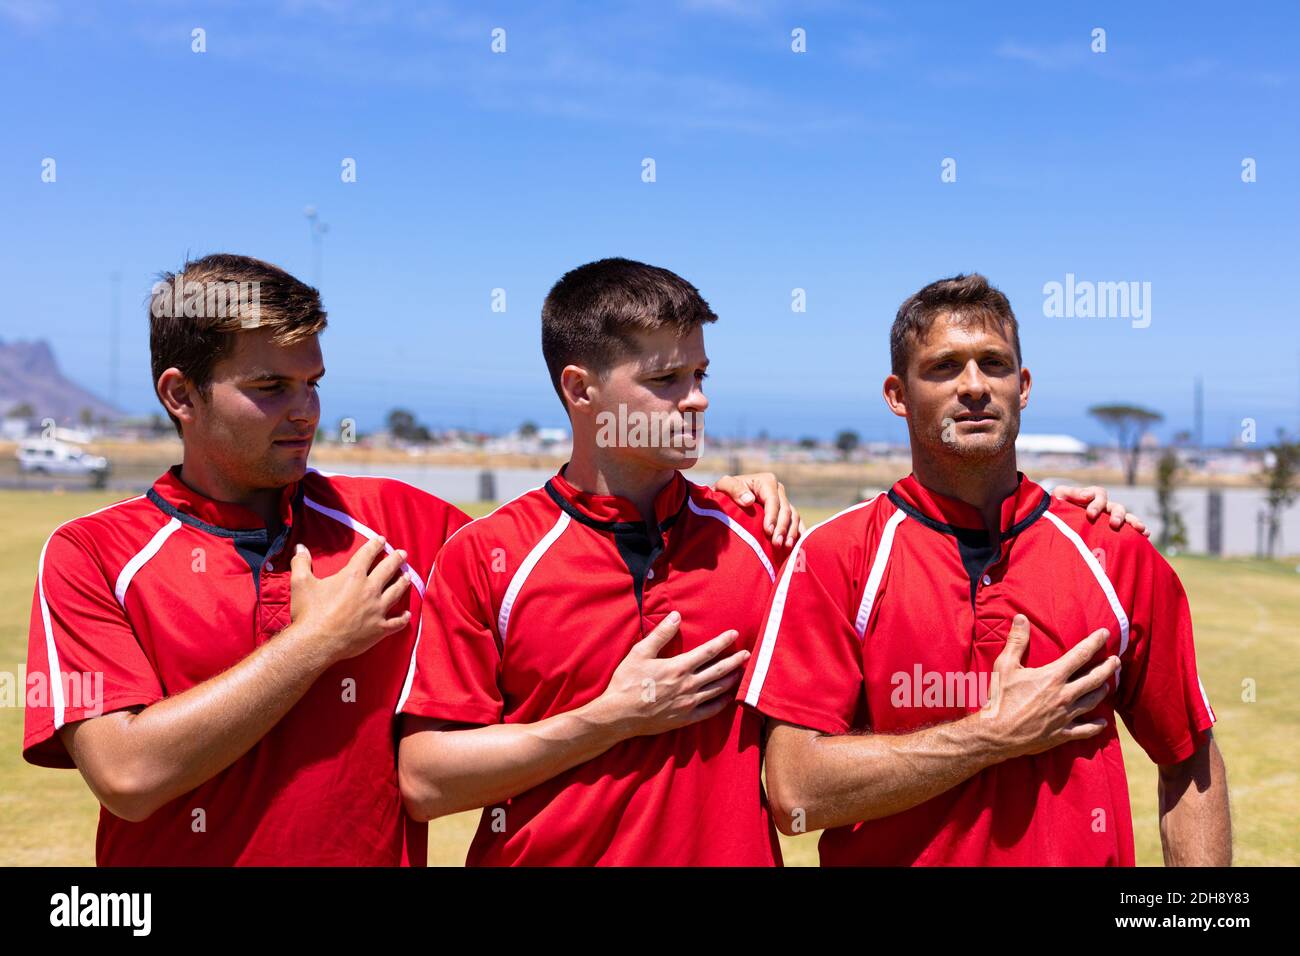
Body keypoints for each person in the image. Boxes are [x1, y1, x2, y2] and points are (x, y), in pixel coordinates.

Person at [21, 253, 792, 865]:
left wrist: (717, 497)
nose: (305, 411)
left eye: (313, 384)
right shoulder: (91, 554)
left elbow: (556, 539)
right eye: (270, 387)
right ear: (180, 395)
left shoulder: (398, 523)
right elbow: (128, 776)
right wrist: (315, 642)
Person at [396, 258, 1145, 865]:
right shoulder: (489, 556)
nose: (696, 401)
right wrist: (605, 720)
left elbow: (913, 544)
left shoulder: (765, 538)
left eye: (701, 375)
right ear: (580, 389)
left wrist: (1054, 511)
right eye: (666, 381)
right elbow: (426, 782)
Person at [742, 273, 1230, 866]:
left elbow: (1187, 758)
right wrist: (991, 735)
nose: (974, 386)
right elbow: (796, 792)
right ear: (897, 395)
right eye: (944, 367)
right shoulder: (834, 557)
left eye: (993, 364)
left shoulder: (1113, 551)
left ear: (1022, 387)